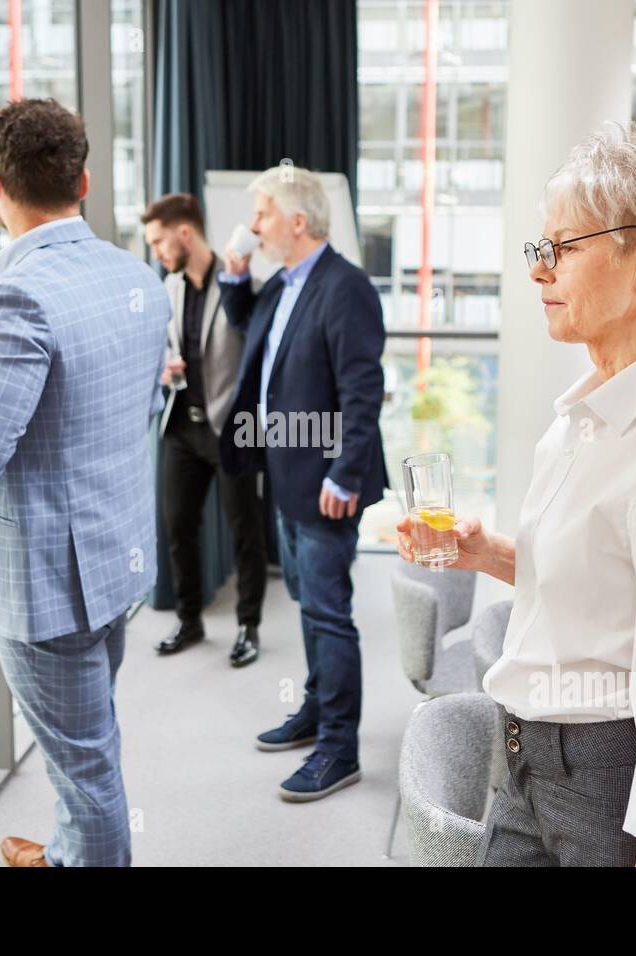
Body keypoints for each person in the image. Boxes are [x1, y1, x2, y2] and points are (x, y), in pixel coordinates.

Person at [398, 122, 636, 866]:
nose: (540, 271)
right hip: (523, 763)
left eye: (564, 248)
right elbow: (604, 593)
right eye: (540, 248)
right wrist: (491, 555)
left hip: (615, 788)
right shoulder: (583, 415)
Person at [0, 98, 169, 867]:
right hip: (114, 560)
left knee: (87, 769)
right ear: (83, 181)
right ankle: (63, 854)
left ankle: (82, 852)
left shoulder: (14, 297)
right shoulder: (136, 279)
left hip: (47, 589)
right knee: (89, 741)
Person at [219, 166, 387, 801]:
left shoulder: (345, 288)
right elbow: (247, 326)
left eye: (261, 215)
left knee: (328, 613)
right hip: (285, 472)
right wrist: (236, 269)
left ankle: (339, 750)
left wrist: (345, 472)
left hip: (324, 478)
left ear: (296, 221)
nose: (253, 226)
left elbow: (362, 389)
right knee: (309, 606)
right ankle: (317, 711)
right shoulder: (285, 283)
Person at [143, 193, 268, 666]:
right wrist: (164, 370)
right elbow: (167, 349)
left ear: (184, 232)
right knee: (178, 527)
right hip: (181, 425)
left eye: (158, 241)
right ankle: (190, 619)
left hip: (233, 428)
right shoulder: (169, 287)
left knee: (245, 530)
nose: (156, 251)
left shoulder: (239, 281)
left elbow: (255, 355)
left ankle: (248, 627)